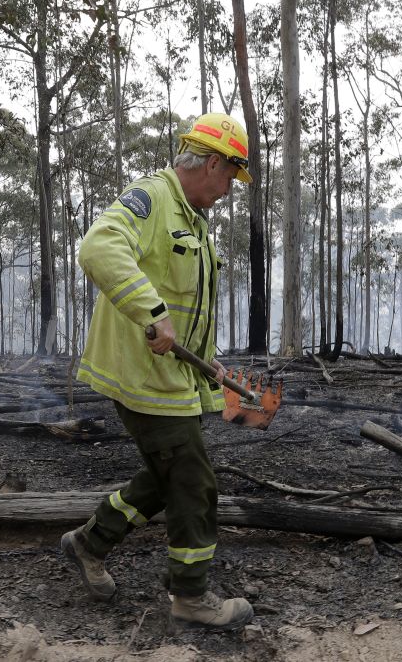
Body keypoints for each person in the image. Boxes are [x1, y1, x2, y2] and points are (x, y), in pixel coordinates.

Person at [61, 112, 254, 631]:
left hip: (172, 378)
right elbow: (98, 247)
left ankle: (89, 542)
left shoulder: (193, 219)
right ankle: (190, 596)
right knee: (193, 480)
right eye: (230, 177)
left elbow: (186, 304)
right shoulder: (151, 199)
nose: (229, 190)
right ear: (212, 163)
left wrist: (204, 358)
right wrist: (151, 313)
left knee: (165, 474)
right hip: (140, 378)